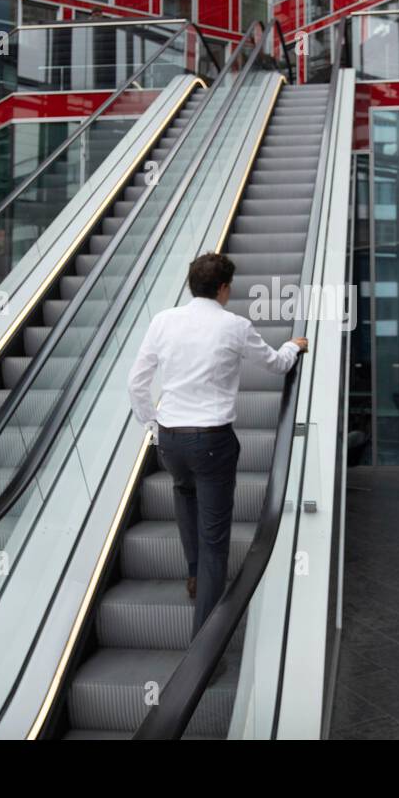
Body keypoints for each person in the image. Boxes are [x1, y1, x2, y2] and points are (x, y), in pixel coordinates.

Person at [127, 252, 307, 632]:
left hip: (171, 440)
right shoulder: (235, 327)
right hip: (211, 441)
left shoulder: (163, 321)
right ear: (224, 288)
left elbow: (136, 382)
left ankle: (193, 573)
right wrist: (294, 346)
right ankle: (203, 643)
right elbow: (277, 364)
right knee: (215, 540)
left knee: (183, 491)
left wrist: (153, 424)